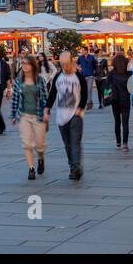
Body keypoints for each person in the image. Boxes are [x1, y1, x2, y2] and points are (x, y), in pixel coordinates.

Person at [46, 50, 87, 180]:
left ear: (72, 61)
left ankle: (76, 167)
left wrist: (80, 108)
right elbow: (52, 94)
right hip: (61, 115)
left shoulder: (78, 76)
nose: (65, 67)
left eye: (67, 64)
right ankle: (72, 166)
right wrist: (47, 108)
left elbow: (85, 93)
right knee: (67, 144)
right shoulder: (58, 77)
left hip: (75, 114)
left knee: (75, 141)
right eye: (62, 64)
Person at [10, 56, 49, 179]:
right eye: (23, 64)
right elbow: (15, 99)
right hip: (24, 115)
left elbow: (45, 98)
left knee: (40, 145)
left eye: (27, 64)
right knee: (27, 143)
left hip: (38, 115)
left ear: (33, 65)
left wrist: (46, 112)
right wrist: (13, 115)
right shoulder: (18, 81)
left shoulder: (40, 80)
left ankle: (41, 158)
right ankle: (31, 169)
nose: (25, 66)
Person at [106, 52, 132, 152]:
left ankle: (118, 141)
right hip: (125, 100)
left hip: (115, 100)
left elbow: (107, 87)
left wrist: (106, 98)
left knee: (117, 121)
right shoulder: (129, 73)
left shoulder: (111, 73)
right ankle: (125, 144)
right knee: (125, 122)